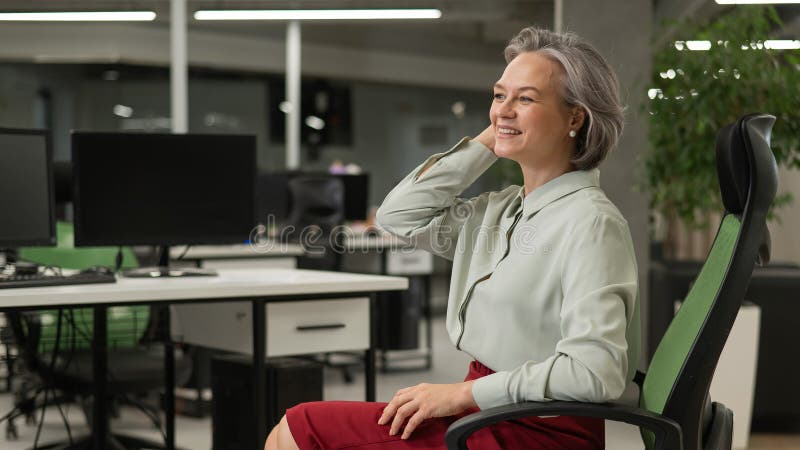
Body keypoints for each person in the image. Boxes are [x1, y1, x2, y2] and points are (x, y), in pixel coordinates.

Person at [264, 26, 640, 450]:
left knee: (299, 428)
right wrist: (494, 137)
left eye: (526, 98)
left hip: (536, 427)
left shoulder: (591, 222)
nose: (503, 110)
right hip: (486, 411)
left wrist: (462, 394)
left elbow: (596, 372)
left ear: (575, 117)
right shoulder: (501, 209)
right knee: (292, 428)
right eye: (499, 96)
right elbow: (397, 216)